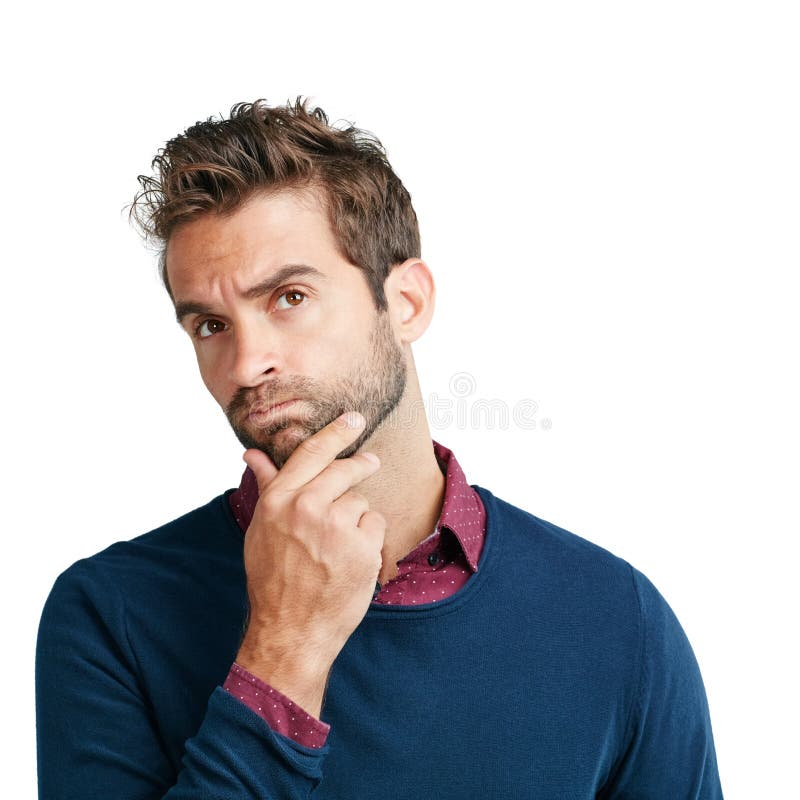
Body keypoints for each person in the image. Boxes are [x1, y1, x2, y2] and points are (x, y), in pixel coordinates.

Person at [35, 99, 723, 798]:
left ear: (406, 304)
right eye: (211, 324)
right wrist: (284, 647)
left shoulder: (613, 615)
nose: (247, 365)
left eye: (289, 297)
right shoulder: (110, 613)